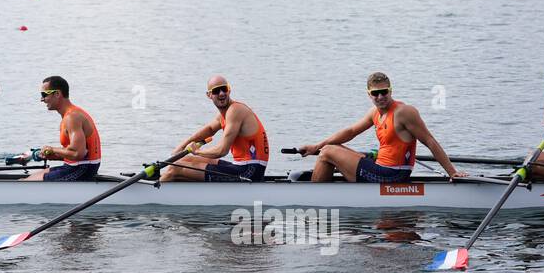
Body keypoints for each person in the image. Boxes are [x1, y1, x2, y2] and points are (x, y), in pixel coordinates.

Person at [297, 71, 467, 182]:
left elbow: (430, 141)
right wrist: (315, 146)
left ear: (391, 91)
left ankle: (315, 196)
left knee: (327, 152)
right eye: (375, 93)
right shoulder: (375, 113)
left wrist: (452, 172)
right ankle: (323, 186)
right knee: (329, 148)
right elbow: (351, 131)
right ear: (369, 94)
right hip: (381, 169)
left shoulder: (404, 112)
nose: (380, 97)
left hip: (392, 175)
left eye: (384, 92)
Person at [161, 76, 269, 182]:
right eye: (216, 90)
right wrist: (181, 147)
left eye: (224, 89)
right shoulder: (224, 114)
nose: (221, 93)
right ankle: (167, 184)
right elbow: (209, 130)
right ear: (209, 95)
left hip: (250, 171)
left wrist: (197, 151)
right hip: (242, 166)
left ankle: (156, 190)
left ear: (229, 90)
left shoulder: (235, 110)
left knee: (176, 168)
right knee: (181, 161)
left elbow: (222, 150)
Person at [20, 76, 102, 181]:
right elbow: (75, 152)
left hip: (82, 168)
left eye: (44, 95)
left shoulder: (72, 117)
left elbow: (78, 153)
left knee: (25, 183)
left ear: (57, 94)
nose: (42, 99)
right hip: (74, 166)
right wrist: (52, 155)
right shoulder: (70, 115)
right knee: (26, 179)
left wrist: (52, 149)